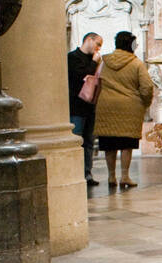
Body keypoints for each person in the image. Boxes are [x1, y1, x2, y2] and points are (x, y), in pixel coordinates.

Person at [93, 31, 154, 189]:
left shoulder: (104, 62)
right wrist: (144, 102)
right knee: (127, 143)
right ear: (132, 45)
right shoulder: (136, 63)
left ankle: (111, 176)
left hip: (106, 105)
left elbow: (97, 82)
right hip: (129, 107)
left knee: (109, 143)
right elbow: (147, 87)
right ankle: (125, 176)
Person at [67, 32, 103, 186]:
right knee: (77, 139)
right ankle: (74, 172)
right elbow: (80, 75)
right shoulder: (73, 57)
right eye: (98, 44)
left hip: (91, 107)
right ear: (89, 40)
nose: (98, 48)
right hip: (76, 106)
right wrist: (94, 63)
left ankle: (87, 173)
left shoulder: (93, 60)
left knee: (89, 141)